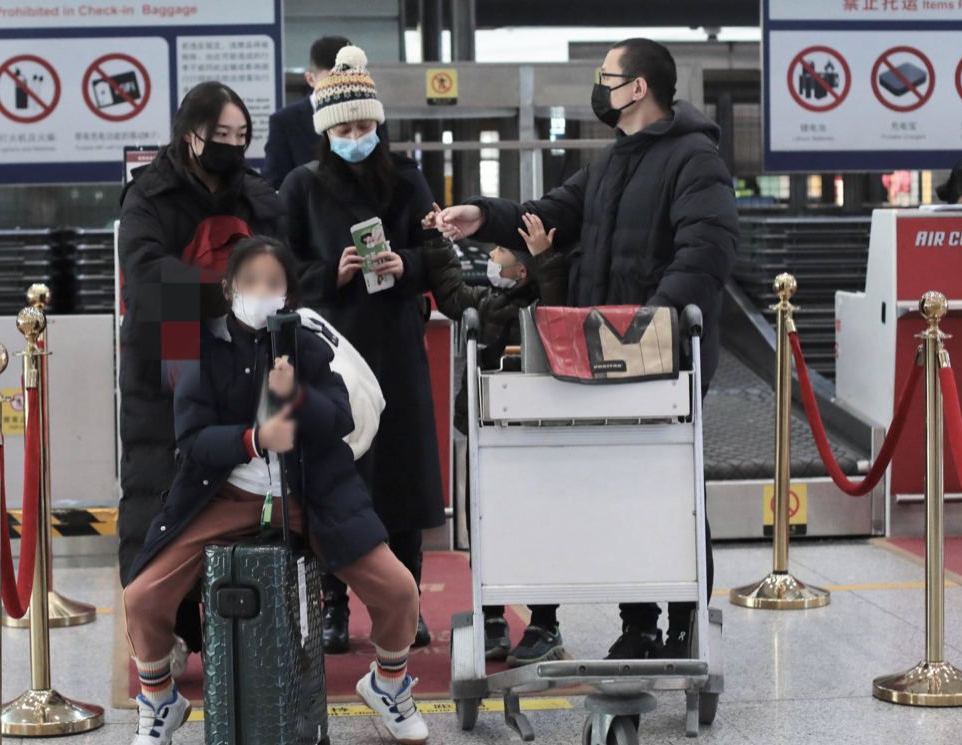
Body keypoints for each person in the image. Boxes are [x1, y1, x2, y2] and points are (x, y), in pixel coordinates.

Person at [433, 38, 737, 661]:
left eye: (607, 76)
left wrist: (645, 328)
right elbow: (545, 215)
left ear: (638, 87)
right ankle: (639, 623)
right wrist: (481, 217)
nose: (599, 87)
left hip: (658, 360)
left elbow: (704, 256)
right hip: (601, 360)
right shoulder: (608, 163)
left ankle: (684, 621)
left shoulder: (696, 160)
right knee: (621, 493)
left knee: (670, 490)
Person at [122, 236, 429, 745]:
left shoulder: (305, 341)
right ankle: (159, 701)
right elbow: (191, 441)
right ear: (228, 288)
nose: (261, 293)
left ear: (289, 293)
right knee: (141, 595)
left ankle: (388, 684)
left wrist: (297, 396)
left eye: (273, 283)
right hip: (223, 498)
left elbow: (341, 418)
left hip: (311, 493)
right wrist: (253, 439)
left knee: (398, 589)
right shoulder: (199, 343)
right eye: (250, 282)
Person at [279, 45, 446, 655]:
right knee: (336, 476)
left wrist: (408, 265)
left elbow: (439, 253)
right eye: (344, 130)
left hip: (396, 343)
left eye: (365, 127)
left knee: (402, 479)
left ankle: (409, 604)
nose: (356, 139)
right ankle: (334, 607)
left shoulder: (407, 179)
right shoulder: (300, 186)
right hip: (333, 349)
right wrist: (331, 273)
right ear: (326, 132)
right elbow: (282, 267)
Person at [117, 82, 285, 674]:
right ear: (190, 135)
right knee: (159, 491)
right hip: (164, 362)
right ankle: (160, 631)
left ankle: (236, 621)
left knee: (237, 495)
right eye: (221, 136)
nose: (232, 147)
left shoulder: (259, 196)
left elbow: (284, 265)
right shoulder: (149, 195)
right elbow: (145, 280)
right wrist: (230, 292)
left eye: (242, 136)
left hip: (244, 362)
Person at [421, 206, 571, 666]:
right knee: (483, 523)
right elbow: (451, 293)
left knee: (538, 526)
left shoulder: (544, 302)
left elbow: (559, 305)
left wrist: (546, 258)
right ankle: (490, 616)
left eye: (500, 250)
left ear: (522, 269)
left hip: (533, 436)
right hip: (486, 431)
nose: (491, 257)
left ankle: (544, 621)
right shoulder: (489, 303)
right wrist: (436, 242)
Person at [263, 35, 350, 188]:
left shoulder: (370, 116)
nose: (338, 93)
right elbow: (274, 183)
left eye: (345, 84)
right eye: (329, 86)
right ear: (310, 79)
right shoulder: (285, 122)